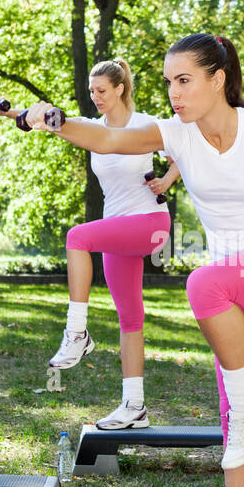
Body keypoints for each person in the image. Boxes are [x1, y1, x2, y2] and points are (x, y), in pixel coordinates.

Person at [21, 33, 244, 487]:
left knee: (203, 287)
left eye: (184, 80)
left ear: (217, 78)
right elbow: (112, 140)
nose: (174, 92)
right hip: (236, 289)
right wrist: (57, 122)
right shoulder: (176, 134)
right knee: (236, 417)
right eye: (167, 82)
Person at [36, 58, 180, 430]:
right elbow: (56, 122)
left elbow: (185, 150)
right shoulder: (93, 128)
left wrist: (167, 180)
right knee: (130, 318)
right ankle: (135, 406)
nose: (95, 96)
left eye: (102, 90)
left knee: (78, 236)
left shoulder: (147, 125)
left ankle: (77, 333)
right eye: (91, 91)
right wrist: (13, 112)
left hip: (149, 224)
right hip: (118, 229)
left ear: (120, 88)